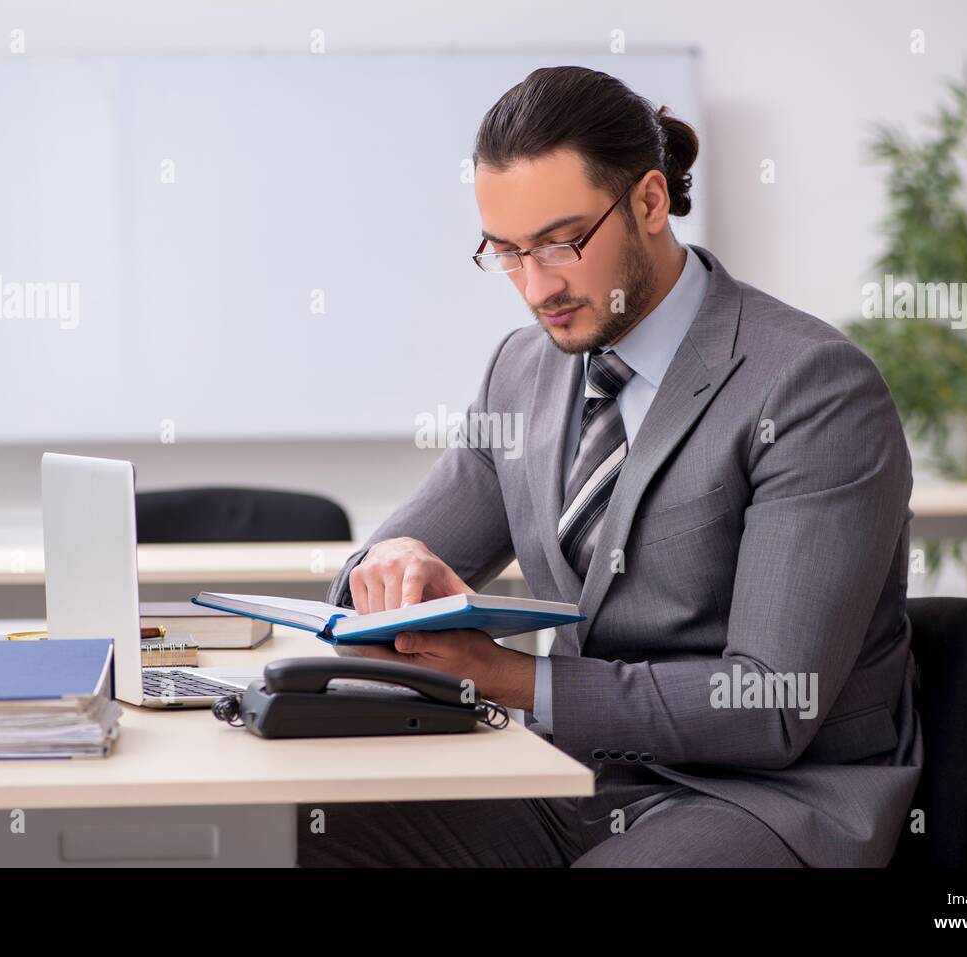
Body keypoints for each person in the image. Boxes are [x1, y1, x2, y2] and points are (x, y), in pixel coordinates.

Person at [297, 65, 920, 867]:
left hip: (767, 798)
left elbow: (772, 701)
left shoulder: (811, 386)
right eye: (508, 251)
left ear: (651, 202)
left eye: (561, 243)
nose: (537, 286)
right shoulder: (521, 372)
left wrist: (513, 679)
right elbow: (367, 580)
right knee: (298, 836)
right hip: (573, 778)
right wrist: (391, 566)